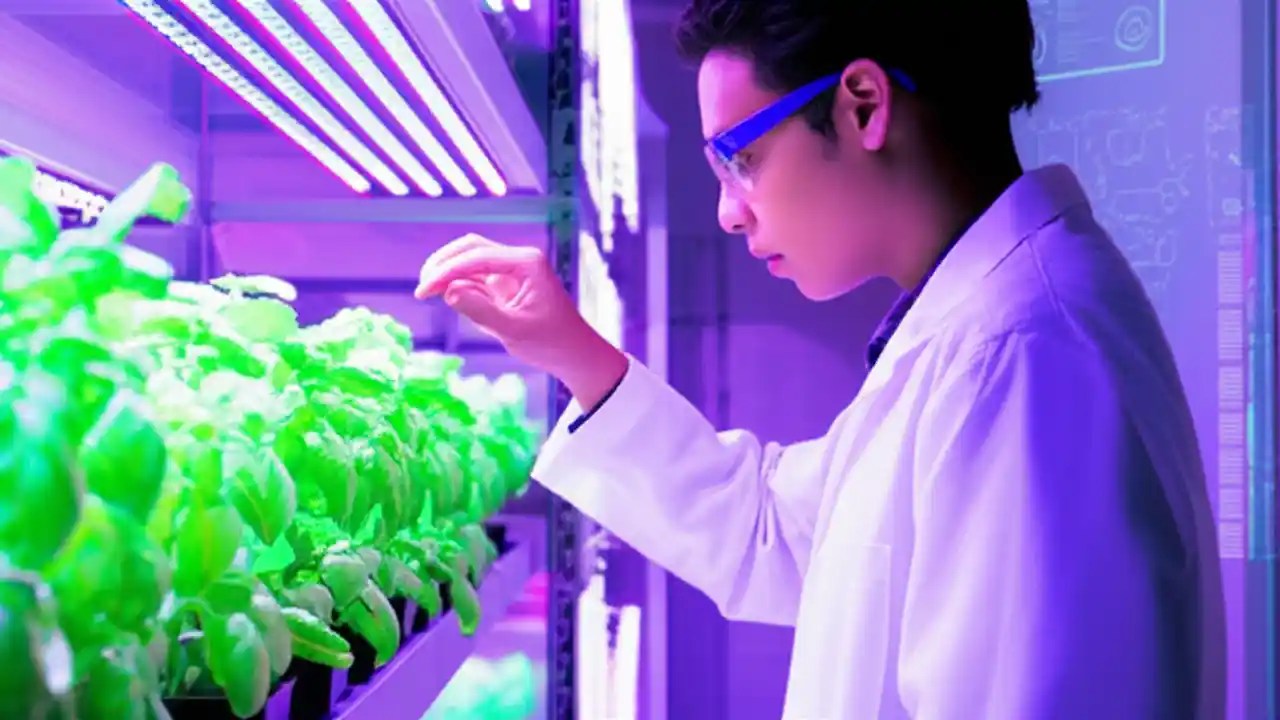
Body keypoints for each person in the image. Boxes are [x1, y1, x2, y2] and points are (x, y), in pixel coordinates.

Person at [415, 0, 1227, 717]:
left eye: (739, 159)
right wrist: (573, 353)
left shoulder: (1022, 359)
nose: (730, 214)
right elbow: (784, 534)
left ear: (862, 105)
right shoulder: (979, 333)